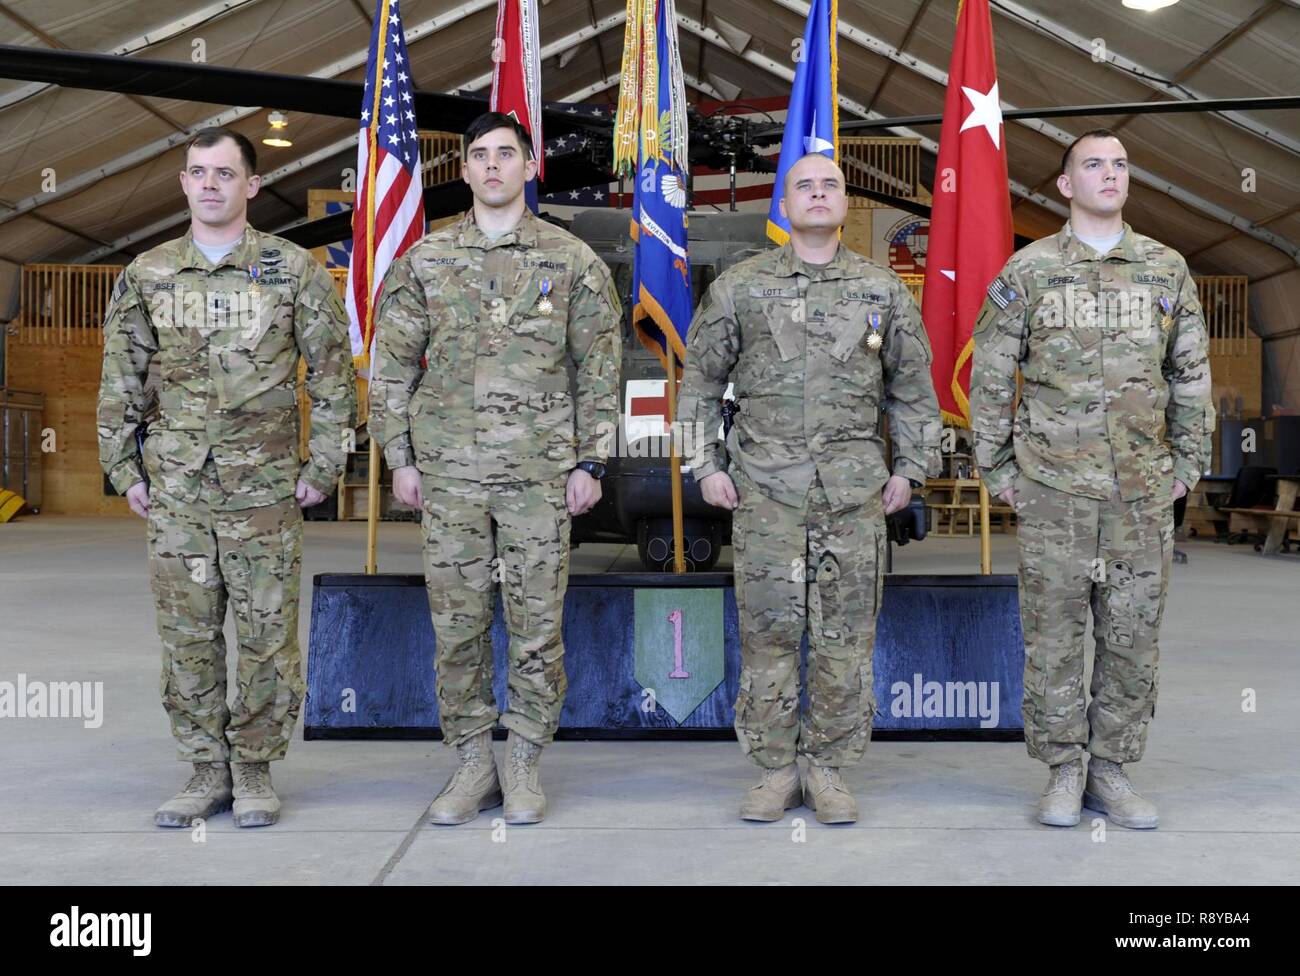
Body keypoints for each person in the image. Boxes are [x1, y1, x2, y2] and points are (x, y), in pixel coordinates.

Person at [97, 126, 357, 827]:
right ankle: (204, 768)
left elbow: (333, 375)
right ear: (183, 184)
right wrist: (123, 468)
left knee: (266, 633)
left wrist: (326, 465)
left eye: (223, 173)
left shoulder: (291, 270)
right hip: (179, 491)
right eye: (196, 172)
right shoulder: (148, 274)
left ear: (250, 186)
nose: (208, 184)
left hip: (265, 491)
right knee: (187, 632)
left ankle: (254, 770)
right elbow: (120, 377)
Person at [369, 112, 621, 825]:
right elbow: (391, 367)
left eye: (504, 154)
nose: (490, 167)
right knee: (457, 622)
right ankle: (474, 761)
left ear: (528, 164)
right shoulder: (426, 259)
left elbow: (598, 366)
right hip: (447, 475)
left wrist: (591, 460)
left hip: (539, 475)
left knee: (537, 621)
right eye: (478, 156)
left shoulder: (571, 261)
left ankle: (525, 761)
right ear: (464, 169)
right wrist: (400, 456)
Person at [675, 152, 942, 824]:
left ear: (844, 204)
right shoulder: (740, 288)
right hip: (764, 495)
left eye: (830, 185)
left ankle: (827, 767)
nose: (818, 195)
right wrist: (704, 466)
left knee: (844, 636)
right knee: (768, 632)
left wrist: (912, 469)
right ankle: (772, 769)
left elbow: (914, 392)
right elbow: (699, 385)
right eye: (804, 186)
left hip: (852, 498)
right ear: (784, 205)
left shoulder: (883, 292)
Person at [970, 129, 1213, 829]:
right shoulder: (1030, 272)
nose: (1110, 174)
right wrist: (1000, 471)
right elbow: (991, 376)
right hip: (1055, 491)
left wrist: (1188, 466)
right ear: (1066, 186)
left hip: (1140, 494)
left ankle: (1111, 768)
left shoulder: (1166, 270)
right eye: (1093, 165)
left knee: (1132, 636)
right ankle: (1062, 768)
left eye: (1120, 164)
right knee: (1052, 636)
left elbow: (1191, 377)